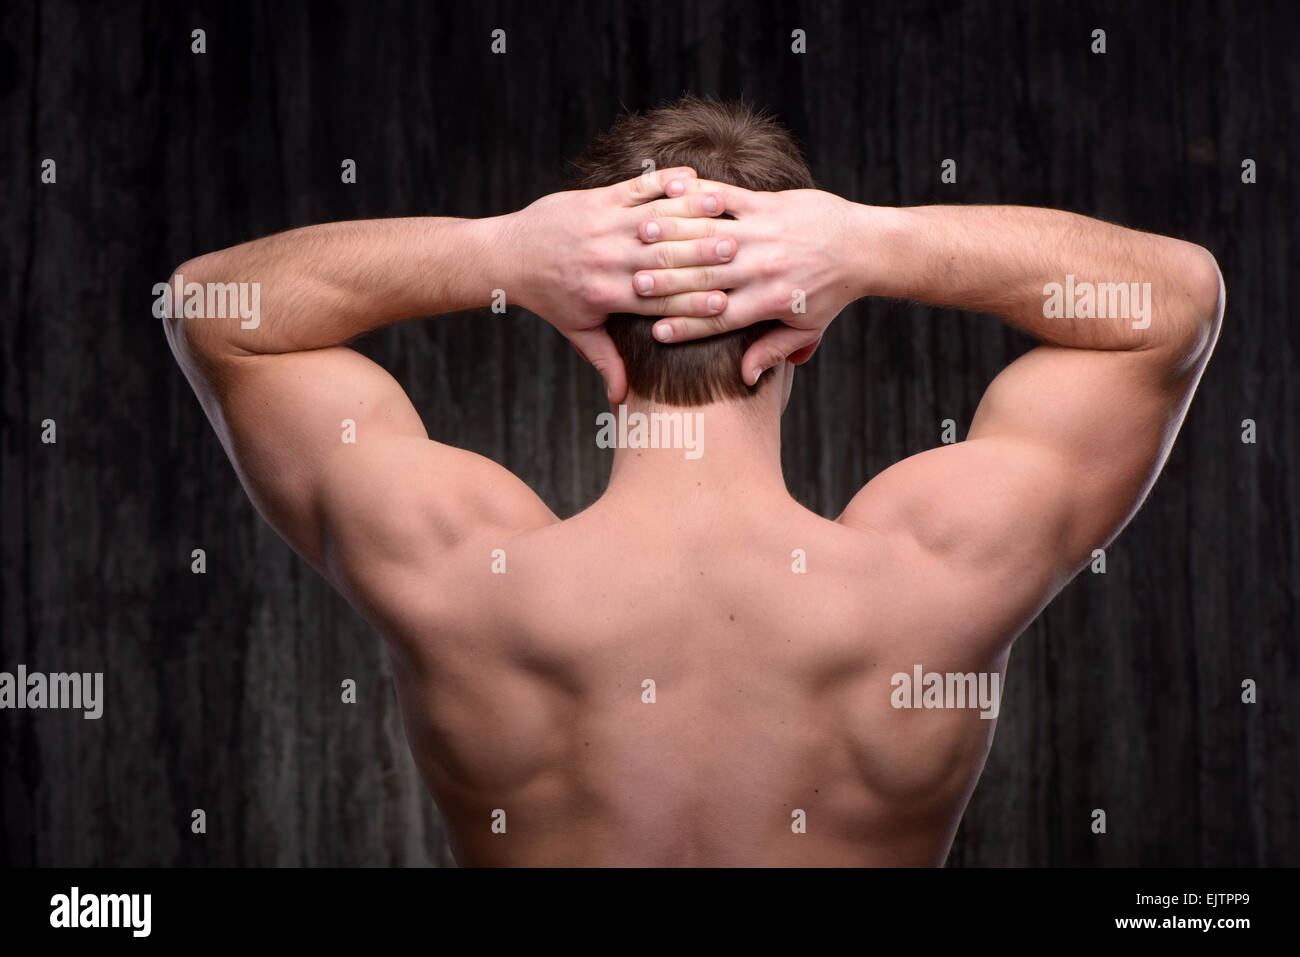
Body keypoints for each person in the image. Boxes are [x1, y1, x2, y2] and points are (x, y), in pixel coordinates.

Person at [162, 96, 1224, 865]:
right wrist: (874, 244)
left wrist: (503, 254)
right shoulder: (934, 567)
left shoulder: (461, 564)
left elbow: (210, 306)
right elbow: (1176, 302)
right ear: (805, 336)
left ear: (588, 333)